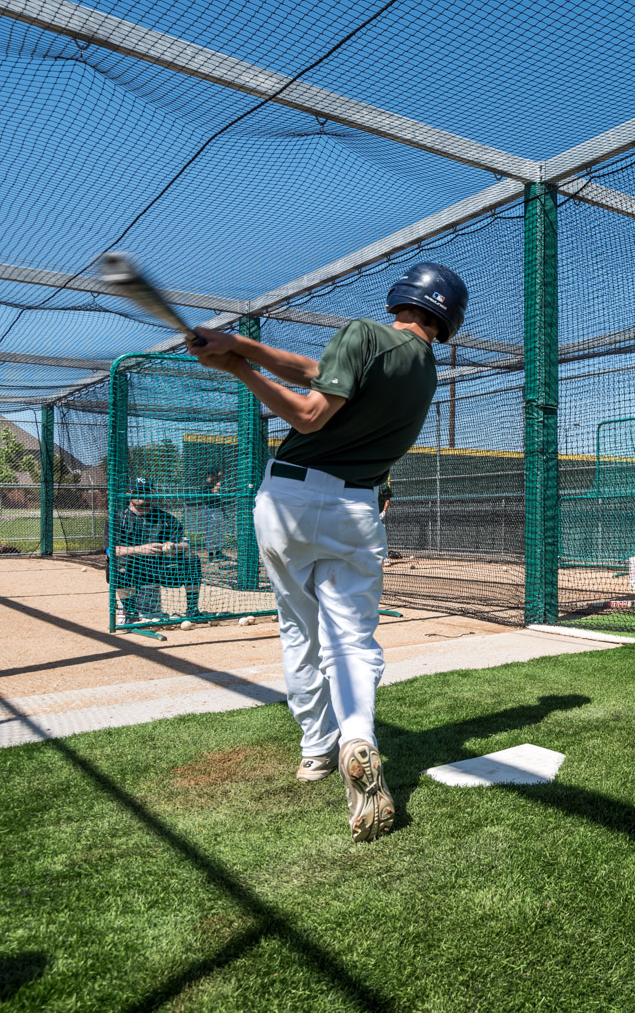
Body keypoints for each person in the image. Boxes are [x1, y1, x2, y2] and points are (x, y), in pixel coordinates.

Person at [187, 262, 466, 842]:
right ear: (446, 320)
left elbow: (309, 413)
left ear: (401, 297)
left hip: (290, 500)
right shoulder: (423, 370)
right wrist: (240, 345)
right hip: (357, 510)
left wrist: (238, 366)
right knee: (352, 638)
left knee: (299, 628)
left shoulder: (364, 333)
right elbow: (318, 371)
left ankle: (316, 749)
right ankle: (357, 736)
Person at [107, 477, 201, 625]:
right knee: (119, 561)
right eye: (137, 491)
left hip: (160, 568)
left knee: (192, 558)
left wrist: (174, 547)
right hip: (134, 569)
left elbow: (186, 544)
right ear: (128, 493)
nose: (142, 495)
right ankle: (130, 614)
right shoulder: (118, 518)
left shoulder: (166, 518)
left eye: (146, 491)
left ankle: (192, 610)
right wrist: (140, 549)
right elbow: (111, 551)